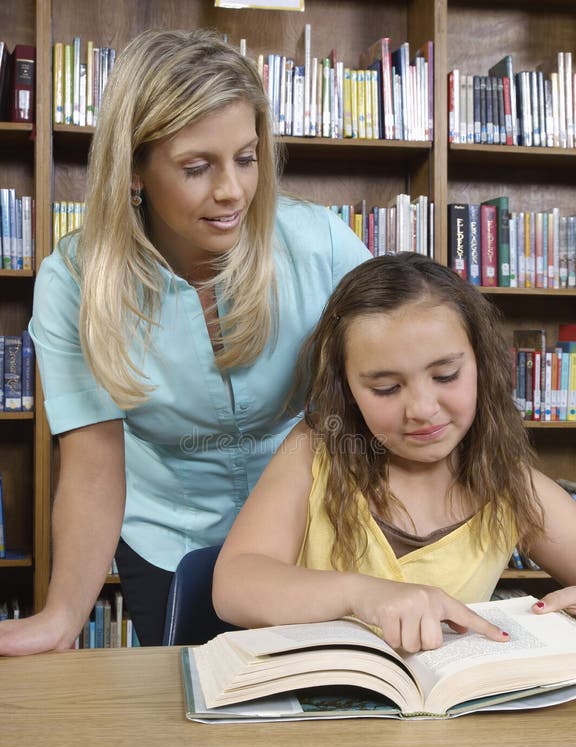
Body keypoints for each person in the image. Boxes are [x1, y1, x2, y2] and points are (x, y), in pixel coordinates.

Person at [0, 29, 370, 655]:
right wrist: (63, 616)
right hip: (168, 534)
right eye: (197, 167)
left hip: (311, 524)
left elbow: (415, 378)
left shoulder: (321, 245)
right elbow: (92, 465)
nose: (231, 191)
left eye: (246, 158)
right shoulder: (74, 282)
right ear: (136, 169)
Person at [213, 253, 576, 652]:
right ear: (347, 390)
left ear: (481, 365)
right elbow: (233, 585)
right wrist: (361, 594)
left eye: (445, 376)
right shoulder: (313, 452)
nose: (421, 409)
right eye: (386, 388)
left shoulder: (511, 484)